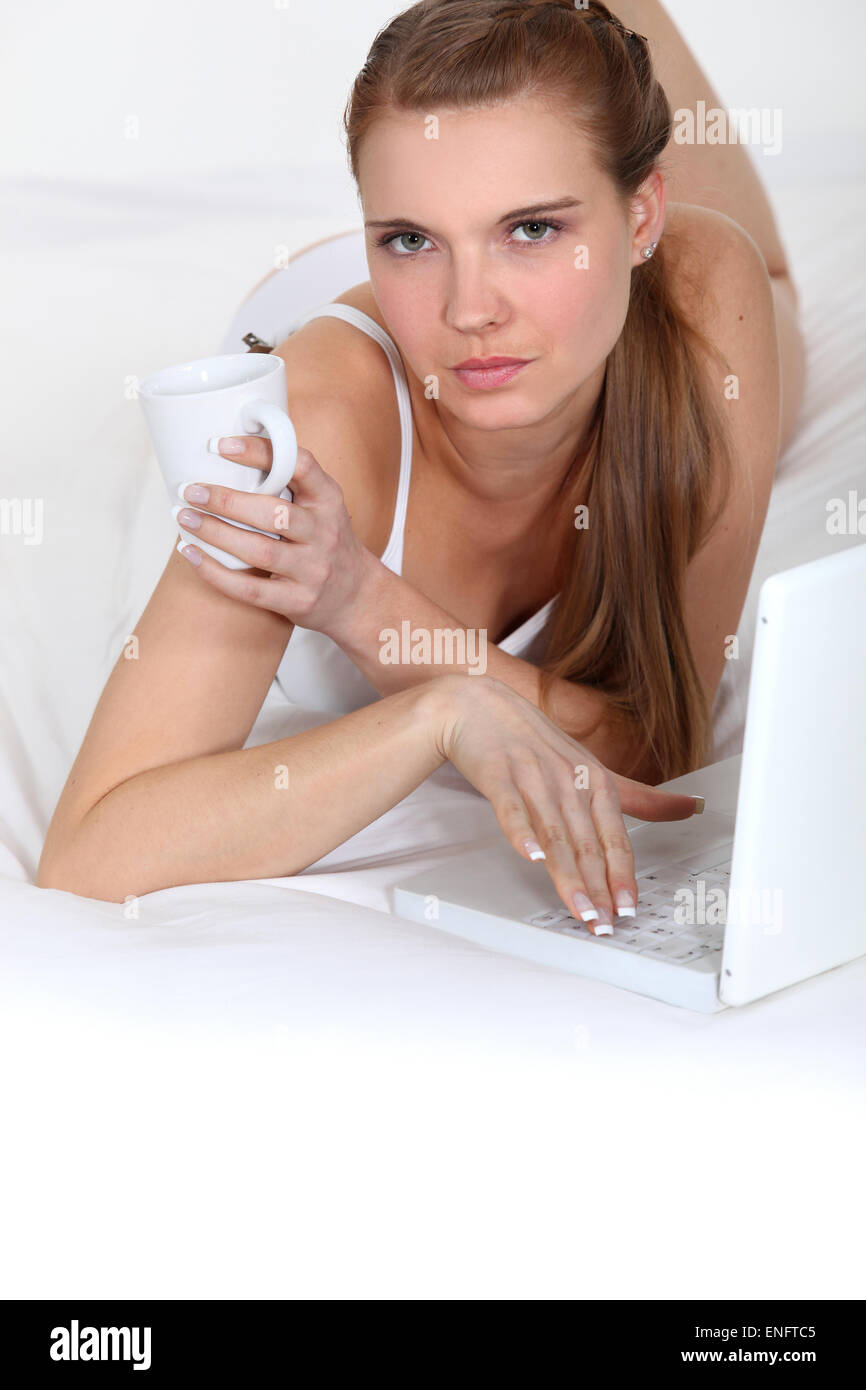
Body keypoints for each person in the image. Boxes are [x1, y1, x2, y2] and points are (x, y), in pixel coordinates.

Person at [36, 0, 805, 934]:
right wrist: (435, 712)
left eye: (533, 230)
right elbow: (93, 846)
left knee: (772, 290)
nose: (470, 309)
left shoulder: (696, 290)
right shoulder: (302, 436)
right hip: (336, 349)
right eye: (409, 238)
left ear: (641, 217)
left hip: (671, 291)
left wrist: (365, 603)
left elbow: (656, 747)